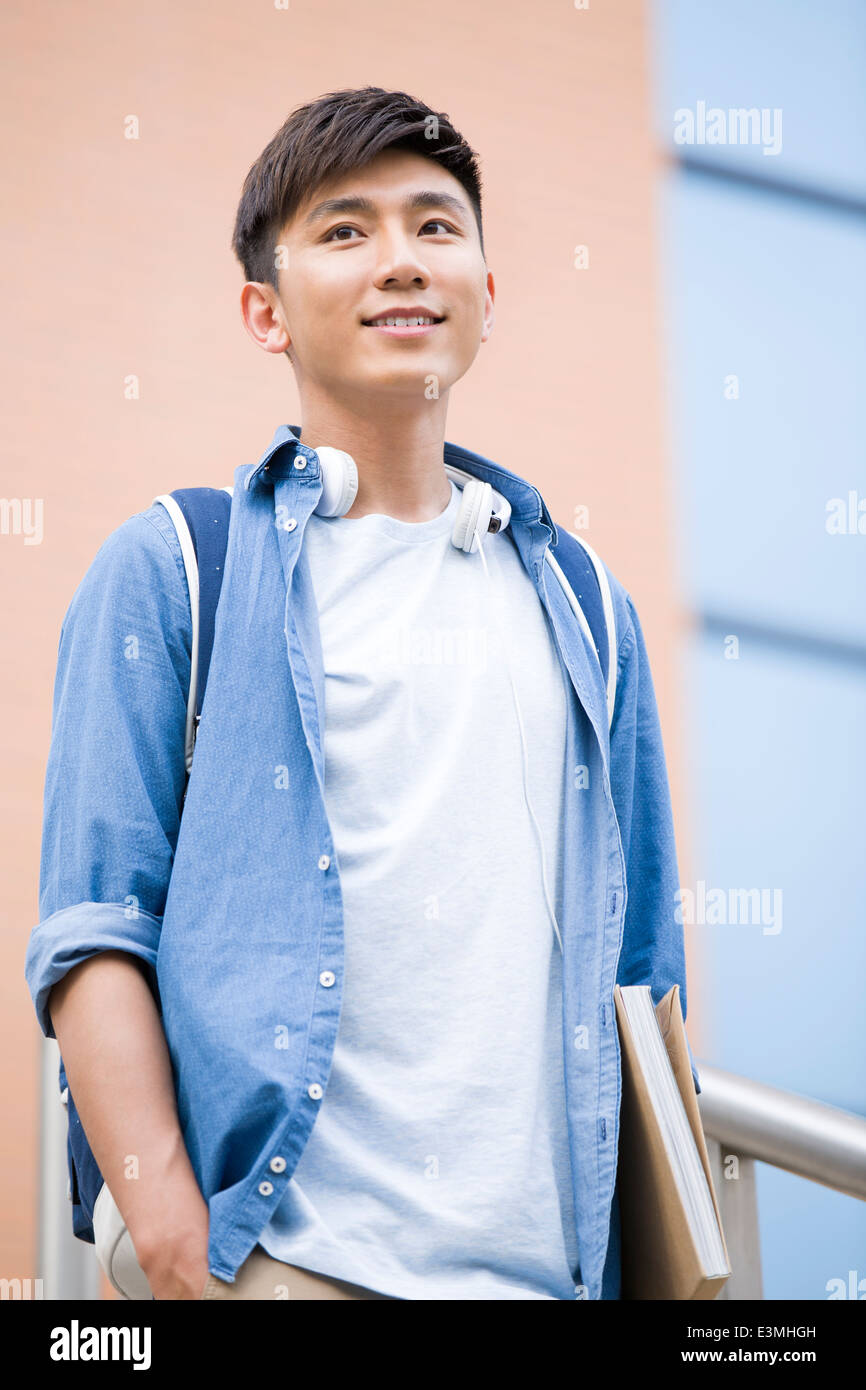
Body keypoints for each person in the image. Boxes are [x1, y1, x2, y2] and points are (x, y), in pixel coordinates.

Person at [25, 87, 699, 1301]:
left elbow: (642, 976)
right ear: (263, 311)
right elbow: (93, 932)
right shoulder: (180, 568)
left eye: (437, 227)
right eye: (344, 230)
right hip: (287, 1270)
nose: (400, 260)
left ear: (489, 293)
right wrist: (180, 1251)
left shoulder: (586, 607)